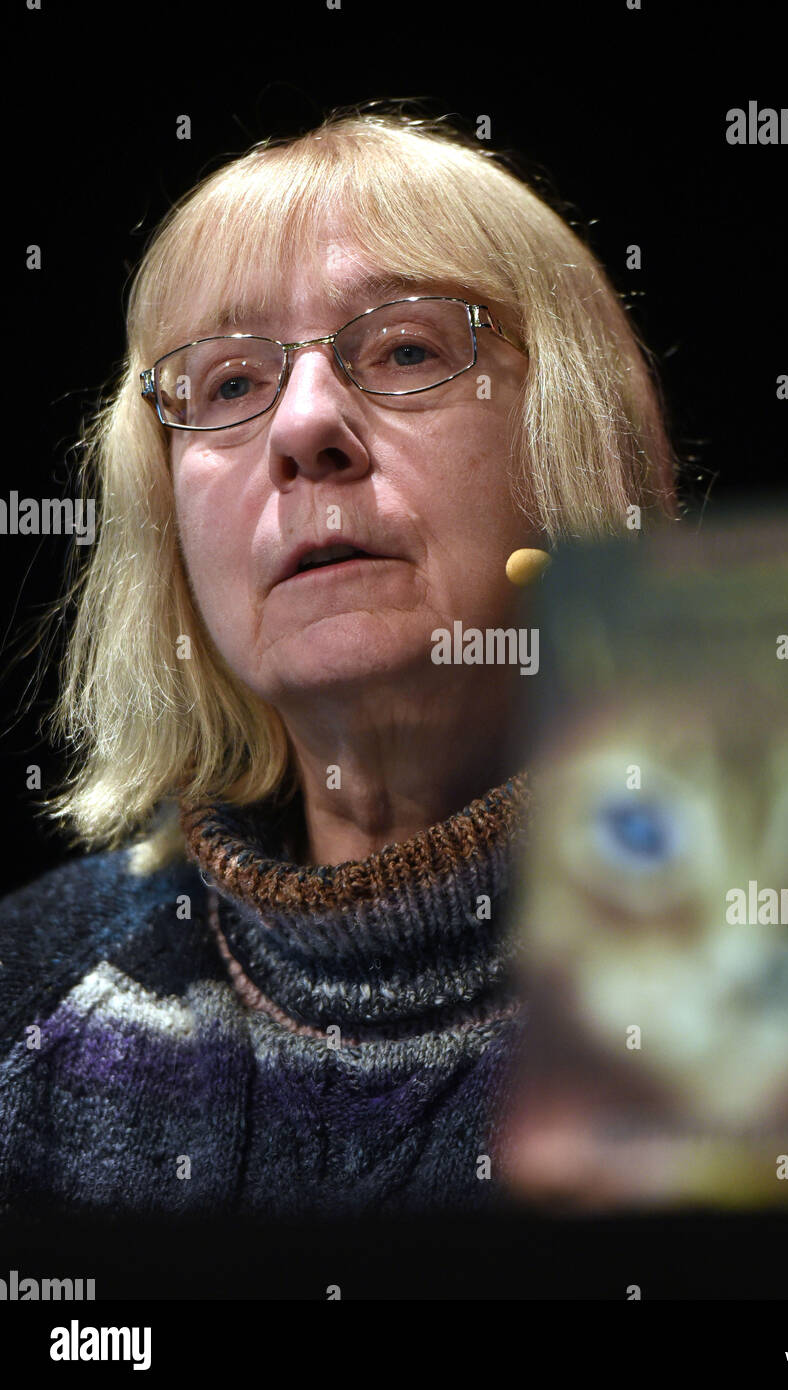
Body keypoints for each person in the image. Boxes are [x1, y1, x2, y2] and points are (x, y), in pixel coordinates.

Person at [0, 104, 677, 1218]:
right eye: (225, 384)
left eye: (405, 348)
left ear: (574, 438)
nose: (305, 424)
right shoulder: (35, 991)